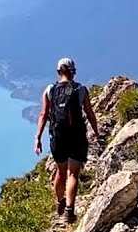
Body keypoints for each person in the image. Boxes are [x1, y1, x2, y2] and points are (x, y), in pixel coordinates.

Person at [35, 57, 99, 222]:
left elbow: (43, 114)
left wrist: (38, 138)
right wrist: (96, 131)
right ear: (73, 72)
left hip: (58, 137)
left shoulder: (50, 90)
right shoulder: (81, 89)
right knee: (73, 174)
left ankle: (60, 201)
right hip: (77, 136)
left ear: (59, 72)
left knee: (61, 172)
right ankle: (69, 211)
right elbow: (89, 113)